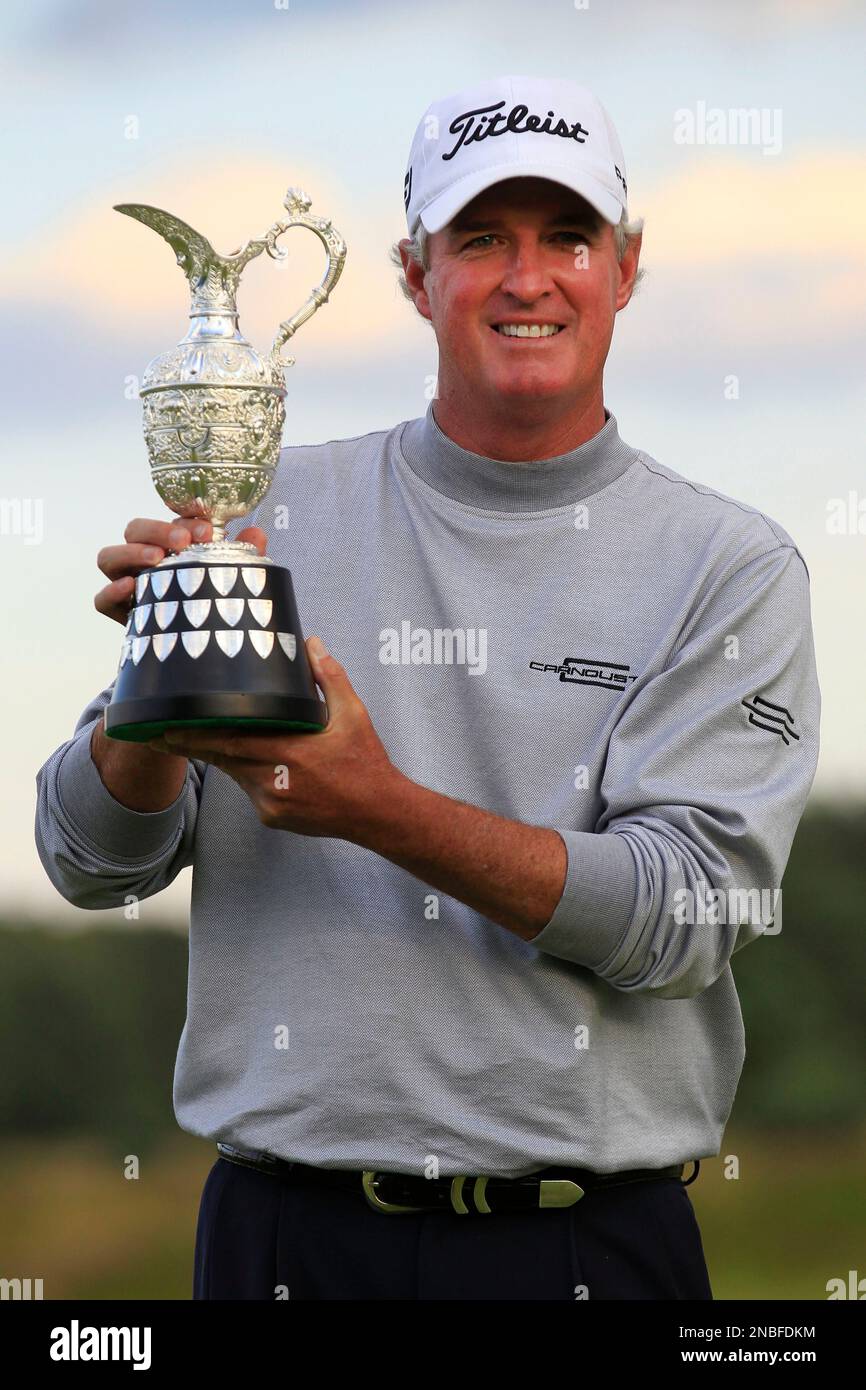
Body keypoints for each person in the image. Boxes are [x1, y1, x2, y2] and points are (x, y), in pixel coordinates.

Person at [35, 75, 820, 1301]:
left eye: (565, 236)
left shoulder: (728, 567)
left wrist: (370, 801)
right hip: (280, 1240)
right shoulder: (263, 515)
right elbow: (88, 860)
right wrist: (156, 701)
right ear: (413, 273)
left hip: (578, 1248)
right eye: (478, 240)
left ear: (624, 267)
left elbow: (688, 919)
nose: (525, 278)